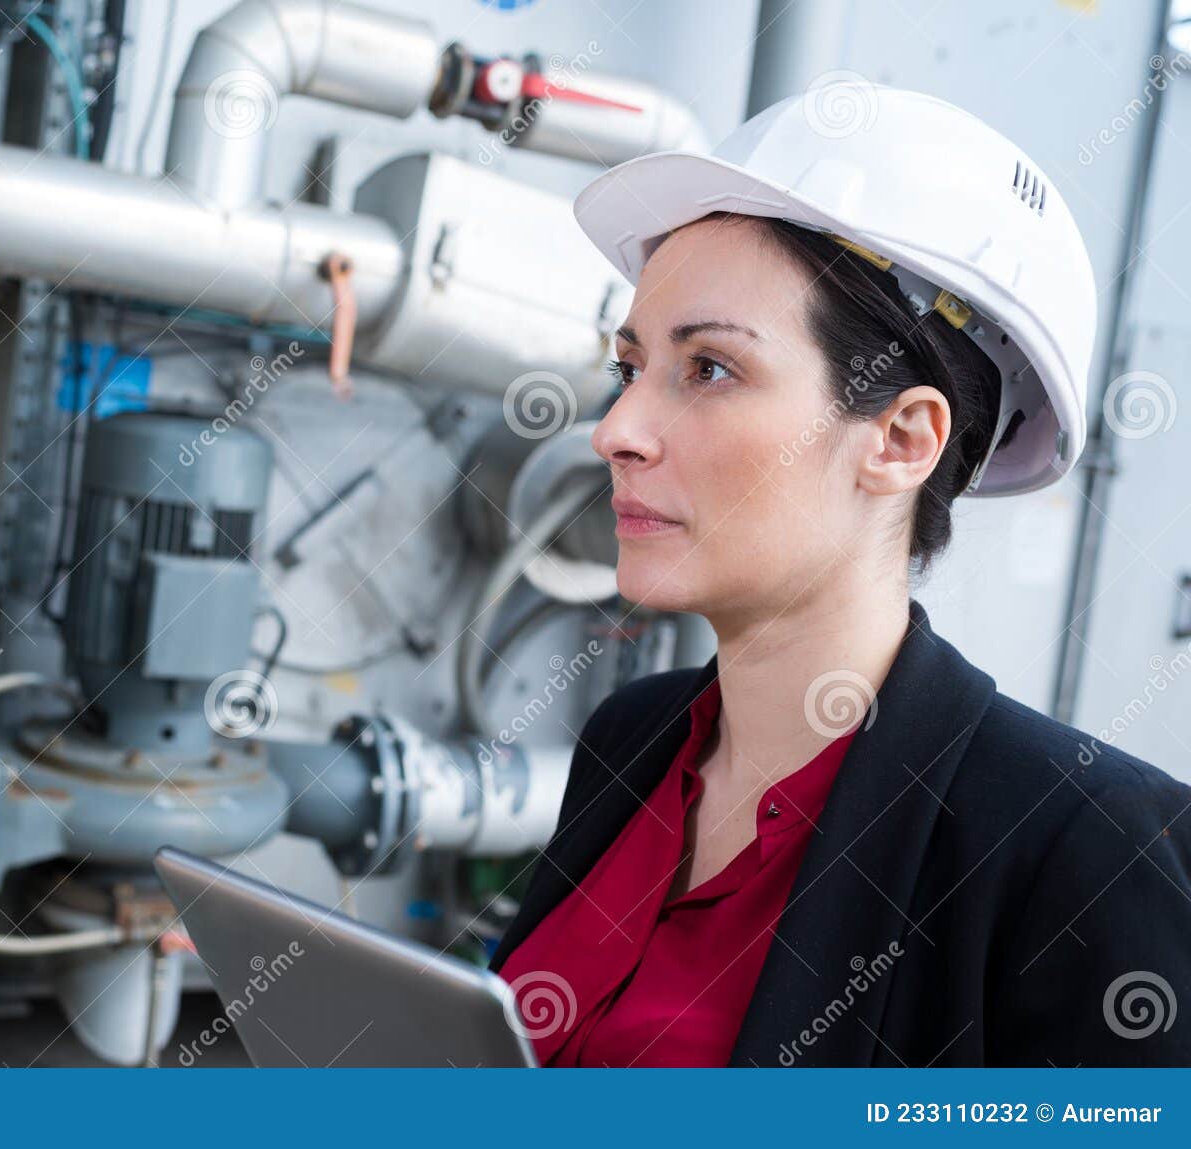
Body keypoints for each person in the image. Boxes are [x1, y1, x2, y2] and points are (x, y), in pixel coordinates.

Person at [487, 83, 1191, 1067]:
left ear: (900, 440)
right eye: (629, 369)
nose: (616, 432)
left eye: (709, 369)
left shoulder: (1082, 846)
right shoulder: (631, 739)